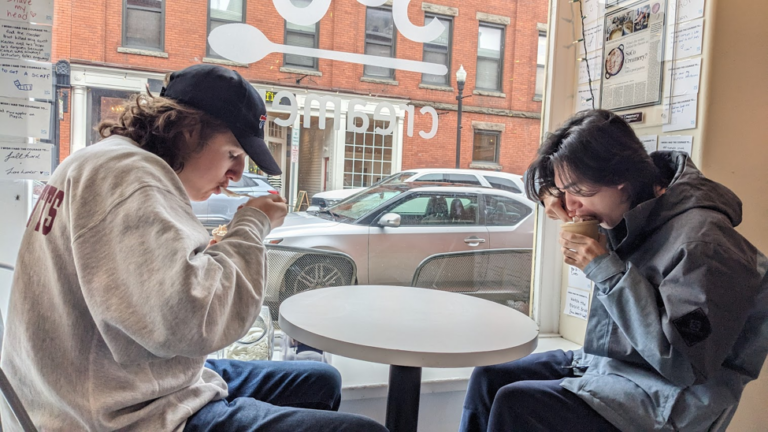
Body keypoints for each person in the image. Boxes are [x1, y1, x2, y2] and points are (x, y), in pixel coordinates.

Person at [0, 64, 387, 432]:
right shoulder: (133, 180)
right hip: (118, 414)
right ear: (188, 130)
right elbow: (195, 321)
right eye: (233, 154)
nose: (237, 173)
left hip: (105, 382)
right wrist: (252, 223)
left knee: (321, 380)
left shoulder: (103, 161)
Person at [460, 109, 768, 431]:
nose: (570, 204)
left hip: (667, 397)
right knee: (488, 378)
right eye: (564, 190)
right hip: (610, 366)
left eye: (576, 191)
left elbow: (683, 364)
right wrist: (563, 198)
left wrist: (605, 269)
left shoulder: (708, 245)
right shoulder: (636, 207)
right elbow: (584, 199)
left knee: (517, 402)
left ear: (620, 180)